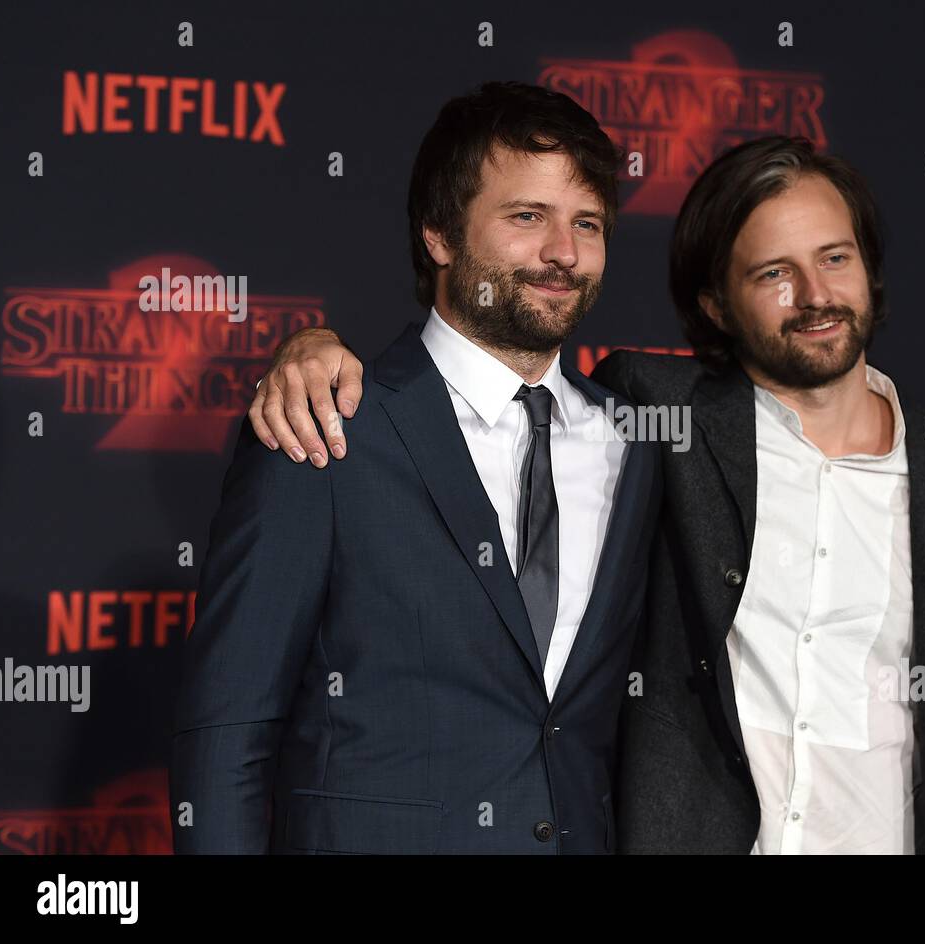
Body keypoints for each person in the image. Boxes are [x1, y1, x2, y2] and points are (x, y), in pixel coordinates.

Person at [255, 135, 925, 854]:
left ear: (870, 269)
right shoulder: (652, 418)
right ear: (713, 303)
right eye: (774, 273)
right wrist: (311, 348)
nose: (814, 296)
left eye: (835, 259)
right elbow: (483, 376)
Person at [170, 81, 660, 854]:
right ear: (439, 233)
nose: (563, 252)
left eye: (587, 224)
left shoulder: (636, 439)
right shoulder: (326, 421)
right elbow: (229, 729)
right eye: (527, 216)